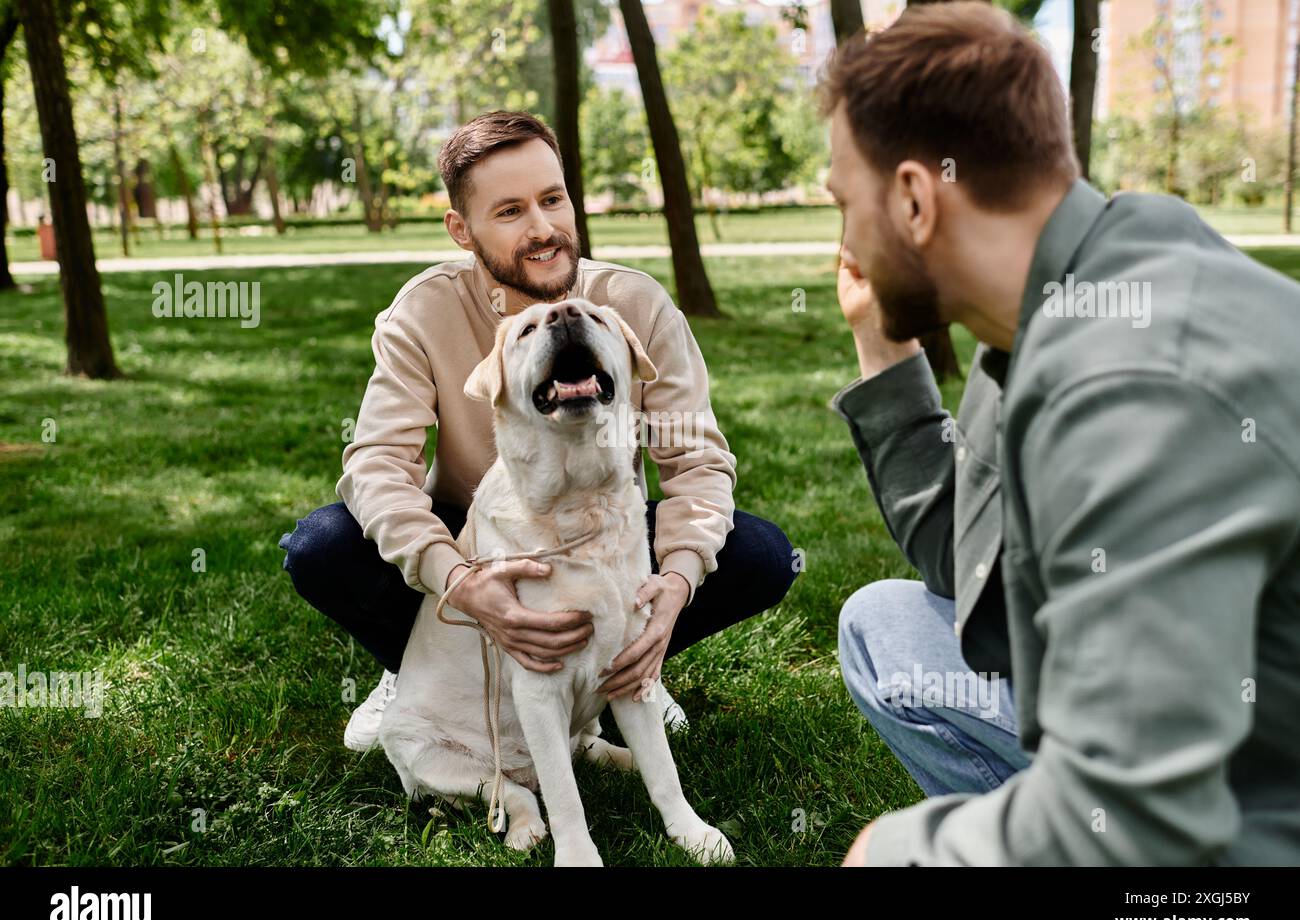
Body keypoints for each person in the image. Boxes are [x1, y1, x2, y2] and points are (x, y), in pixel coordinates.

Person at [823, 2, 1300, 864]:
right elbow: (965, 571)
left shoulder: (1134, 387)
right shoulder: (1068, 292)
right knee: (882, 626)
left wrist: (896, 852)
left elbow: (1150, 820)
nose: (847, 239)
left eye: (844, 202)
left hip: (1250, 812)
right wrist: (880, 342)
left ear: (913, 200)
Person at [280, 111, 798, 752]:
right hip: (476, 534)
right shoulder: (423, 310)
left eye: (553, 199)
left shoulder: (635, 304)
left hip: (607, 536)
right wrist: (459, 581)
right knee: (322, 545)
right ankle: (413, 668)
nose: (544, 229)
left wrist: (677, 582)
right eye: (510, 212)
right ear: (461, 230)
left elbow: (696, 462)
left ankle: (624, 667)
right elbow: (378, 464)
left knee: (760, 554)